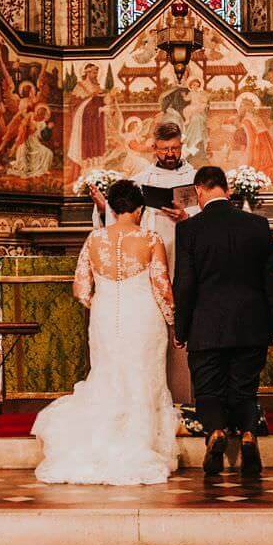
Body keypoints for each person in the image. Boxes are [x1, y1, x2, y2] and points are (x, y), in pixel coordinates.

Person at [32, 180, 179, 485]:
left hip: (105, 316)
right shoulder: (151, 239)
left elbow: (80, 288)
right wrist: (173, 320)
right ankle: (141, 440)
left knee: (108, 371)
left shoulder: (94, 239)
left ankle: (103, 437)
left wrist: (101, 300)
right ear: (139, 209)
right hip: (143, 316)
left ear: (111, 208)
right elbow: (162, 287)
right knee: (141, 373)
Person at [173, 166, 273, 478]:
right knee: (244, 388)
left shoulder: (189, 229)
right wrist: (271, 328)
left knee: (208, 388)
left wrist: (181, 329)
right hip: (251, 323)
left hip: (206, 324)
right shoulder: (258, 225)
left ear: (198, 191)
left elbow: (185, 284)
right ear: (228, 189)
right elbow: (272, 281)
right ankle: (247, 435)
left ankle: (216, 432)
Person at [89, 121, 199, 402]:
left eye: (174, 148)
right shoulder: (141, 181)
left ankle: (185, 397)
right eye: (164, 149)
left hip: (187, 258)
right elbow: (121, 223)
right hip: (150, 262)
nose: (170, 154)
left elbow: (209, 223)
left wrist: (186, 218)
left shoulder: (196, 180)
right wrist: (103, 209)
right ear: (154, 148)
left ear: (182, 145)